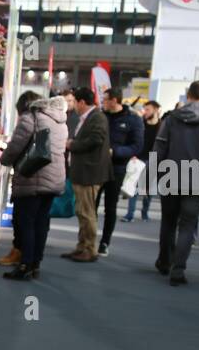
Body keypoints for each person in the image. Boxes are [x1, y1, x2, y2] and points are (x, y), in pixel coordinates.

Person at [152, 81, 199, 286]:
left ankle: (164, 261)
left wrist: (150, 178)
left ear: (188, 95)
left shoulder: (173, 118)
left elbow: (159, 147)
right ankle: (179, 269)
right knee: (187, 225)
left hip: (170, 176)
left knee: (168, 222)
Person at [0, 91, 68, 280]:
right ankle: (35, 263)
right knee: (41, 223)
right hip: (54, 178)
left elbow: (16, 146)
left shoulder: (31, 118)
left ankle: (24, 265)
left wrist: (3, 159)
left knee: (25, 222)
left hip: (33, 177)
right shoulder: (59, 120)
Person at [62, 87, 110, 263]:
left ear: (82, 102)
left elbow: (96, 140)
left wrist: (72, 145)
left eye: (74, 101)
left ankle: (90, 249)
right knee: (82, 211)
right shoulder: (88, 118)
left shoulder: (97, 117)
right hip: (81, 171)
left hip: (90, 172)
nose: (72, 105)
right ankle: (82, 246)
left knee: (87, 212)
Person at [95, 88, 143, 256]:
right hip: (96, 166)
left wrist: (115, 152)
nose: (103, 102)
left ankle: (104, 242)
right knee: (91, 205)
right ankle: (87, 239)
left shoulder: (133, 120)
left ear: (115, 100)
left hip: (117, 168)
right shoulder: (100, 116)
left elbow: (137, 146)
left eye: (106, 99)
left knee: (110, 207)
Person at [123, 100, 161, 221]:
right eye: (144, 109)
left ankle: (145, 213)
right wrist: (132, 154)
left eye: (148, 109)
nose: (145, 112)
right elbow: (132, 139)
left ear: (155, 110)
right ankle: (130, 214)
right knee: (133, 187)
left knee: (148, 190)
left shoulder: (162, 126)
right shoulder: (141, 124)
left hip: (154, 160)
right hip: (138, 159)